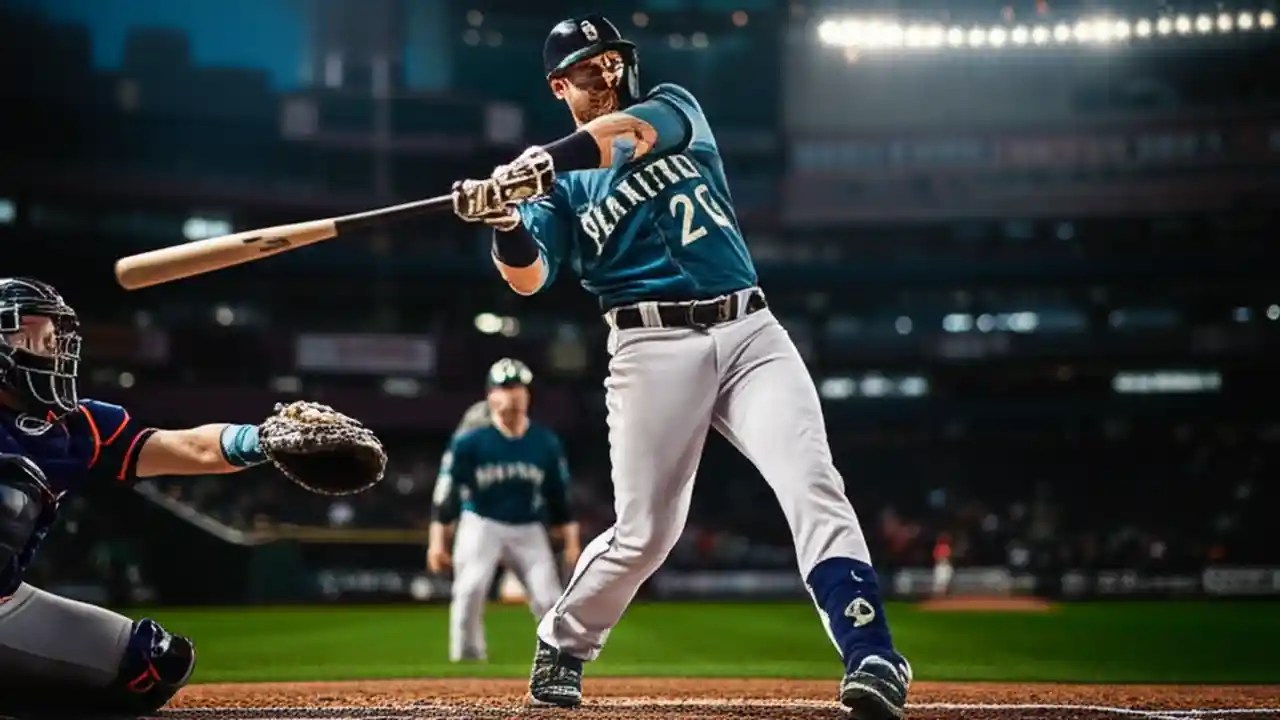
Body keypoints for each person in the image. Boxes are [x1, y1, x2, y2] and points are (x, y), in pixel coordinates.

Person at [450, 14, 911, 719]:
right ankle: (564, 642)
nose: (606, 74)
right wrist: (505, 221)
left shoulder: (673, 108)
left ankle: (871, 653)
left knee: (812, 481)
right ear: (558, 86)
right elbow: (529, 277)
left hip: (750, 330)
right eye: (588, 68)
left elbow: (625, 137)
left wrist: (538, 160)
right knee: (646, 532)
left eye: (610, 61)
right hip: (651, 347)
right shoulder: (557, 189)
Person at [0, 277, 356, 715]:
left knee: (152, 664)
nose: (52, 351)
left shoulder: (75, 426)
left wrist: (264, 438)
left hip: (5, 601)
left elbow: (187, 447)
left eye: (53, 338)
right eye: (33, 338)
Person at [427, 358, 580, 662]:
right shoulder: (469, 442)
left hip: (528, 527)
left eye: (519, 387)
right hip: (481, 522)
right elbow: (446, 496)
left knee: (549, 598)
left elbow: (560, 497)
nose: (513, 394)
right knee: (469, 590)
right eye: (505, 387)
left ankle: (557, 661)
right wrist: (437, 543)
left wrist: (572, 541)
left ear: (528, 395)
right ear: (490, 395)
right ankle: (467, 660)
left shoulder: (545, 442)